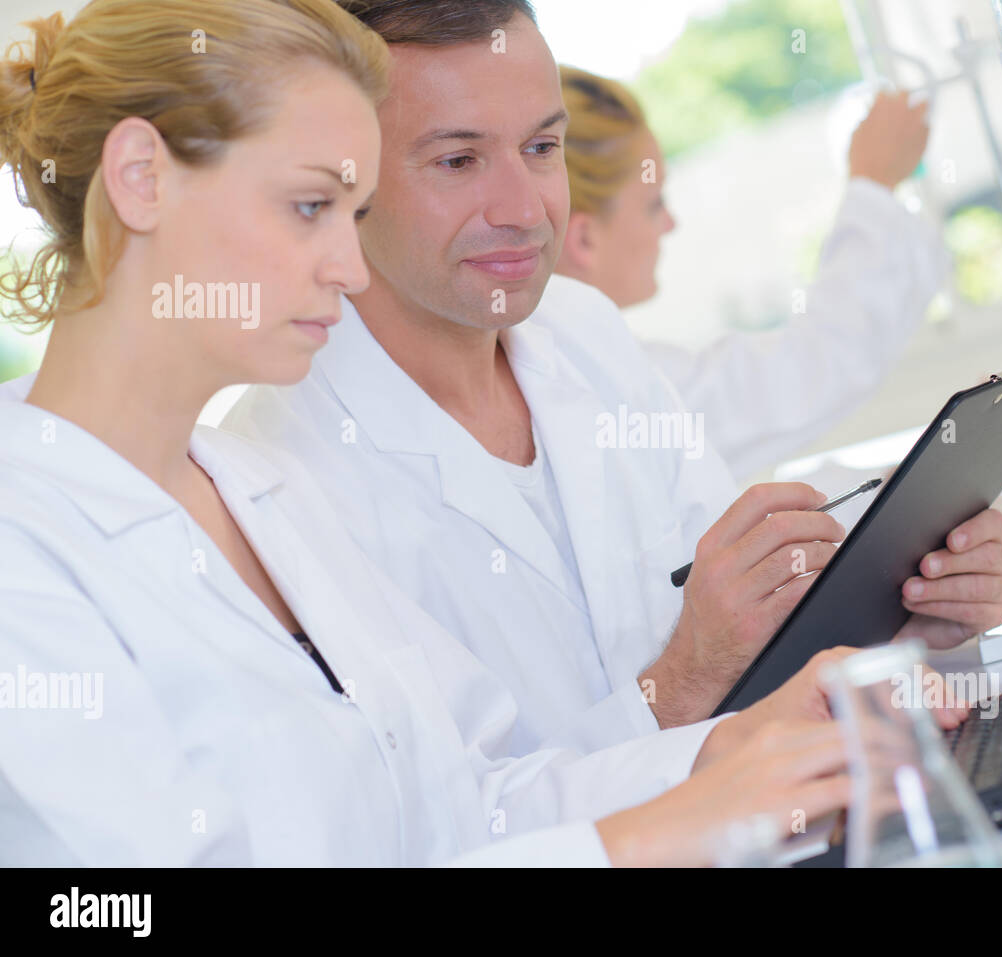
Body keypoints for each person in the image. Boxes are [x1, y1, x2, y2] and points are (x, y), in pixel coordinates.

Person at [0, 0, 872, 868]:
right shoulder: (24, 537)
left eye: (354, 210)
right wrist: (646, 838)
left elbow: (469, 804)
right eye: (310, 206)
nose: (348, 267)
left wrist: (737, 749)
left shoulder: (250, 487)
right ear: (142, 179)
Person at [223, 0, 1002, 757]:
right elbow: (446, 827)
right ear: (340, 183)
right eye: (458, 160)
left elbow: (757, 665)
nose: (524, 208)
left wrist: (913, 633)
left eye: (541, 148)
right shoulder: (278, 480)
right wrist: (681, 678)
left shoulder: (583, 332)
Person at [556, 66, 946, 479]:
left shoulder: (581, 366)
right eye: (654, 203)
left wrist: (895, 495)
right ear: (584, 240)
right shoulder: (602, 386)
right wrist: (874, 183)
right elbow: (809, 370)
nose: (670, 224)